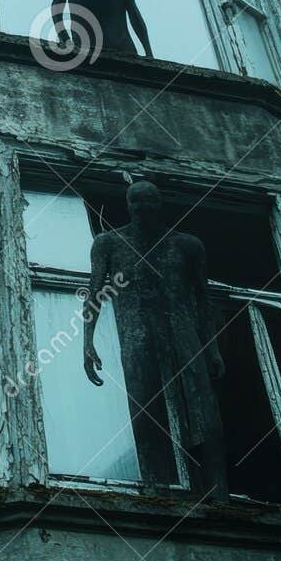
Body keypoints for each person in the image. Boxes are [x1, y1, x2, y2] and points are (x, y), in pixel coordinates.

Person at [83, 181, 227, 496]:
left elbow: (203, 298)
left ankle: (217, 493)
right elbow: (94, 293)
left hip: (183, 334)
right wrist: (87, 342)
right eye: (136, 201)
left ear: (159, 204)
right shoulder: (109, 243)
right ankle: (159, 490)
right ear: (128, 204)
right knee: (145, 409)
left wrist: (212, 348)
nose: (143, 207)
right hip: (137, 339)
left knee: (203, 412)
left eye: (150, 201)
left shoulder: (187, 245)